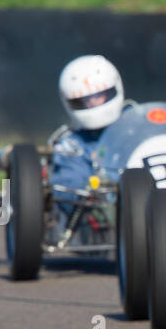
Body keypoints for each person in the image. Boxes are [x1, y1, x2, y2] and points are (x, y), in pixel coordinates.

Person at [47, 55, 127, 231]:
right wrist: (94, 195)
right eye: (85, 100)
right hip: (104, 218)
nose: (93, 103)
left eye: (99, 95)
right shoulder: (72, 144)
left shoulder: (135, 127)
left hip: (156, 204)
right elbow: (66, 186)